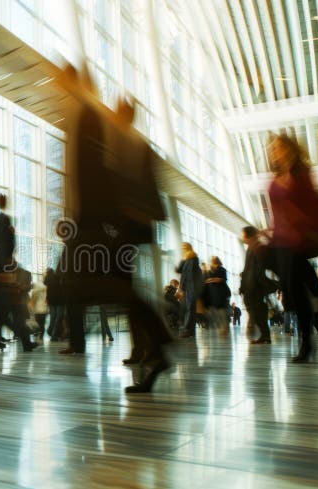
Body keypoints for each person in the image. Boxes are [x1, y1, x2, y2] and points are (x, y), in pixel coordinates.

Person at [57, 67, 170, 393]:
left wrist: (105, 220)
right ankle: (157, 346)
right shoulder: (97, 121)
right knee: (115, 287)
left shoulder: (95, 119)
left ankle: (158, 342)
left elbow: (105, 176)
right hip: (109, 223)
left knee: (99, 286)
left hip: (109, 224)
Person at [265, 134, 318, 362]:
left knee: (294, 285)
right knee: (291, 288)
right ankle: (316, 292)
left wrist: (301, 221)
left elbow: (313, 205)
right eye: (273, 149)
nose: (277, 152)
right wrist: (272, 233)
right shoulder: (273, 181)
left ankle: (306, 341)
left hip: (300, 239)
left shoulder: (302, 173)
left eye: (281, 148)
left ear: (292, 149)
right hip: (282, 240)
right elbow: (276, 214)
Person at [240, 226, 276, 344]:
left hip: (254, 284)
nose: (242, 237)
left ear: (247, 235)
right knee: (256, 308)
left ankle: (264, 334)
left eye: (243, 234)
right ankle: (264, 334)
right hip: (251, 283)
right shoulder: (252, 247)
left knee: (256, 309)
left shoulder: (256, 247)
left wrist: (250, 283)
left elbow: (258, 267)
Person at [176, 242, 202, 339]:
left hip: (191, 287)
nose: (182, 249)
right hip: (188, 287)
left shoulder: (192, 258)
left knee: (190, 308)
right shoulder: (187, 259)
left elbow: (189, 275)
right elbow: (179, 270)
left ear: (187, 248)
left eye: (183, 247)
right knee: (189, 309)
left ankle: (188, 331)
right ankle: (190, 331)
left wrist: (183, 288)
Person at [202, 256, 231, 336]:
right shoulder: (209, 271)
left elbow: (222, 279)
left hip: (220, 293)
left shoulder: (221, 269)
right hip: (211, 293)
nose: (210, 262)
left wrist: (211, 280)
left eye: (212, 260)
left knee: (221, 310)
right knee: (216, 311)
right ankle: (222, 327)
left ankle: (224, 327)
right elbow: (204, 280)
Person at [43, 267, 65, 340]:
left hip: (51, 300)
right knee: (59, 316)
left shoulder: (47, 279)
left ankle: (50, 331)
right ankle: (54, 333)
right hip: (60, 300)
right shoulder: (59, 277)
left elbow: (46, 285)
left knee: (53, 316)